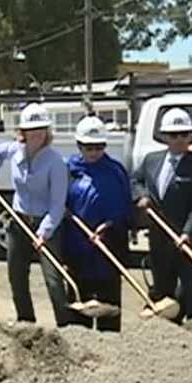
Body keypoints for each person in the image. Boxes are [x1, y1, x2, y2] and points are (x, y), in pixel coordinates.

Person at [0, 104, 72, 325]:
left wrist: (43, 233)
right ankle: (26, 322)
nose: (36, 134)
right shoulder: (14, 150)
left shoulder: (56, 163)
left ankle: (65, 326)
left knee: (53, 280)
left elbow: (57, 205)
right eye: (31, 130)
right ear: (22, 132)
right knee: (16, 276)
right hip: (19, 221)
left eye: (41, 129)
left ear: (47, 132)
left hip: (47, 225)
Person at [132, 108, 192, 322]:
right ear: (164, 137)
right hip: (159, 240)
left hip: (187, 243)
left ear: (190, 136)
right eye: (173, 135)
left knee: (191, 294)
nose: (178, 140)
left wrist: (187, 233)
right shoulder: (151, 160)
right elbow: (136, 181)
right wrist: (141, 196)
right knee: (162, 290)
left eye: (184, 135)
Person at [62, 116, 133, 332]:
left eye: (99, 147)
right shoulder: (68, 170)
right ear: (79, 145)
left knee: (108, 306)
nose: (94, 152)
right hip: (77, 249)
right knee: (78, 306)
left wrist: (110, 225)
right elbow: (58, 202)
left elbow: (125, 207)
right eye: (89, 147)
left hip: (108, 249)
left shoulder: (116, 171)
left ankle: (109, 345)